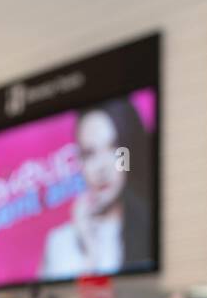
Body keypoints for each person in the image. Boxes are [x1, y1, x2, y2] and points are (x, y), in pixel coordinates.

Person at [43, 98, 152, 279]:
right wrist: (89, 249)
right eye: (89, 154)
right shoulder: (59, 243)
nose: (102, 168)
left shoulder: (148, 231)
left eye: (112, 148)